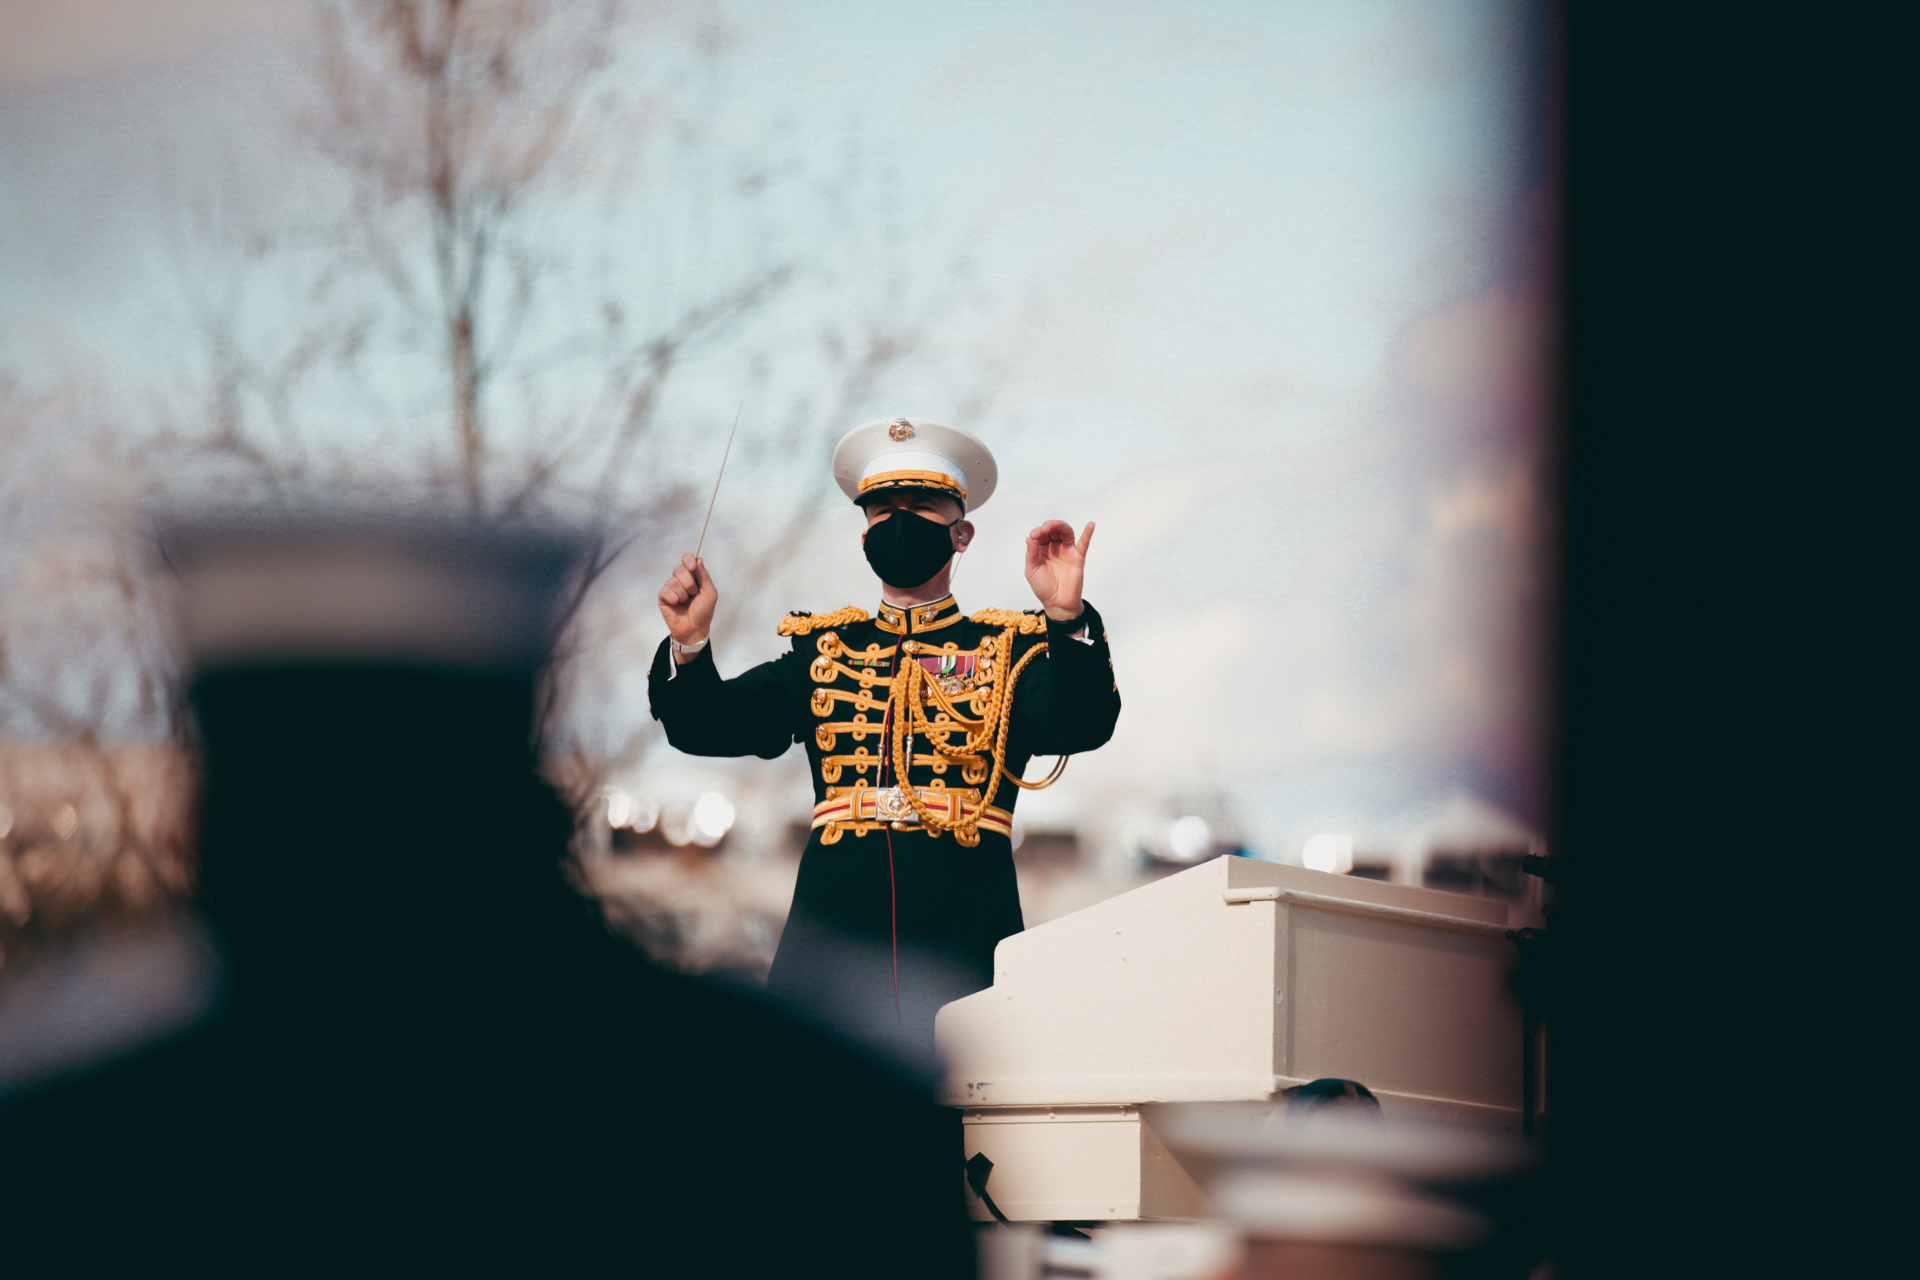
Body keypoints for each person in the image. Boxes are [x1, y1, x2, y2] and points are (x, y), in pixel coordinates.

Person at [0, 519, 974, 1277]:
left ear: (210, 828)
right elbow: (711, 717)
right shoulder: (826, 1114)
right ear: (528, 810)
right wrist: (689, 648)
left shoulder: (72, 1146)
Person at [650, 416, 1121, 1059]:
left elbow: (1082, 723)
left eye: (921, 505)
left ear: (962, 533)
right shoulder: (822, 651)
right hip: (833, 933)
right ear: (865, 531)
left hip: (961, 931)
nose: (898, 522)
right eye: (881, 510)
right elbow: (709, 724)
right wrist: (690, 642)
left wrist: (1065, 620)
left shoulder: (1008, 649)